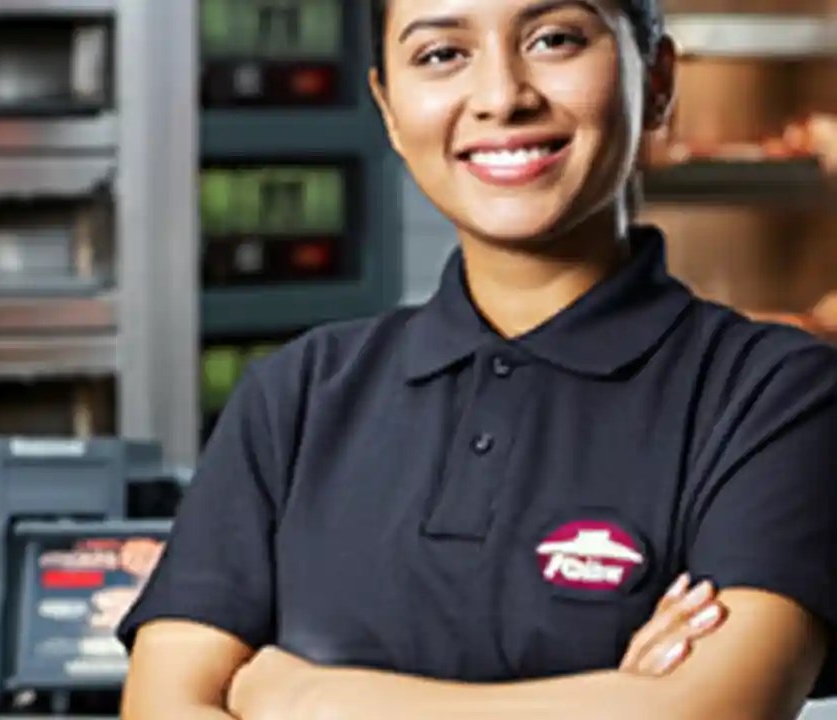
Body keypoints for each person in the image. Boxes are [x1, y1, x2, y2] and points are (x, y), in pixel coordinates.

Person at [117, 0, 837, 717]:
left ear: (656, 81)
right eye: (441, 55)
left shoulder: (774, 397)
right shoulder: (298, 396)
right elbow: (161, 706)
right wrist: (614, 701)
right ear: (389, 109)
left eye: (555, 39)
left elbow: (709, 710)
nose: (501, 97)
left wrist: (302, 697)